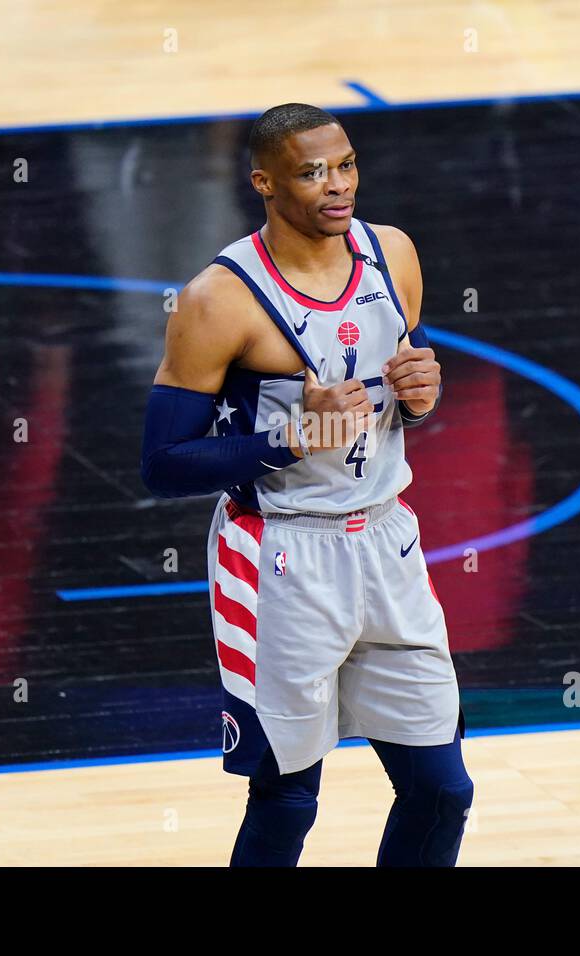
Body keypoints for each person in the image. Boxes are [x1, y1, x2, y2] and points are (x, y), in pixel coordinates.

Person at [141, 103, 472, 866]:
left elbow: (397, 404)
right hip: (280, 558)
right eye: (311, 171)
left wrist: (422, 400)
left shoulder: (393, 254)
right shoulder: (217, 299)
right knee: (288, 797)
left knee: (442, 789)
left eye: (347, 164)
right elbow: (162, 465)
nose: (337, 185)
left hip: (387, 540)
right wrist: (288, 440)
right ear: (264, 181)